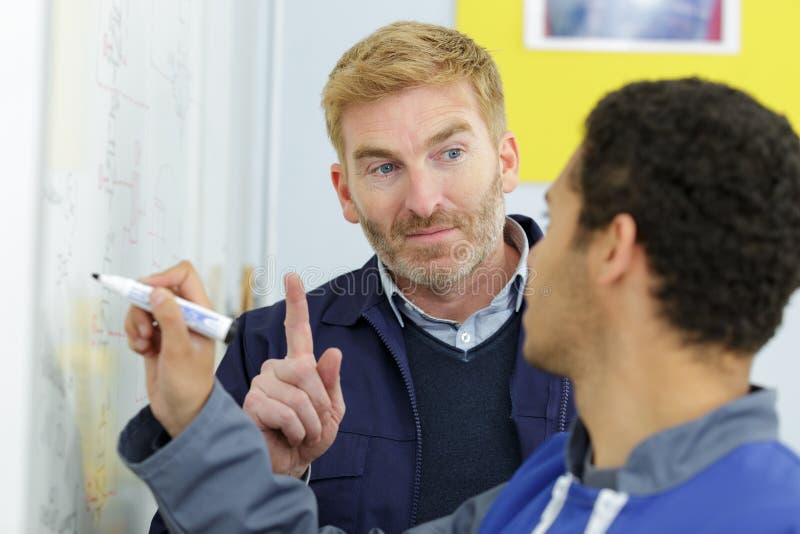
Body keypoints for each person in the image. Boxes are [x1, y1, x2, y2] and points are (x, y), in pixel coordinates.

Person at [120, 77, 800, 532]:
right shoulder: (546, 489)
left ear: (613, 251)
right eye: (385, 166)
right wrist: (194, 418)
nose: (423, 200)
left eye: (557, 219)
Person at [141, 21, 575, 533]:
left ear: (505, 162)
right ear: (345, 192)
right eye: (384, 168)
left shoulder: (619, 334)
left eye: (450, 154)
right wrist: (260, 481)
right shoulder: (268, 351)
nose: (423, 201)